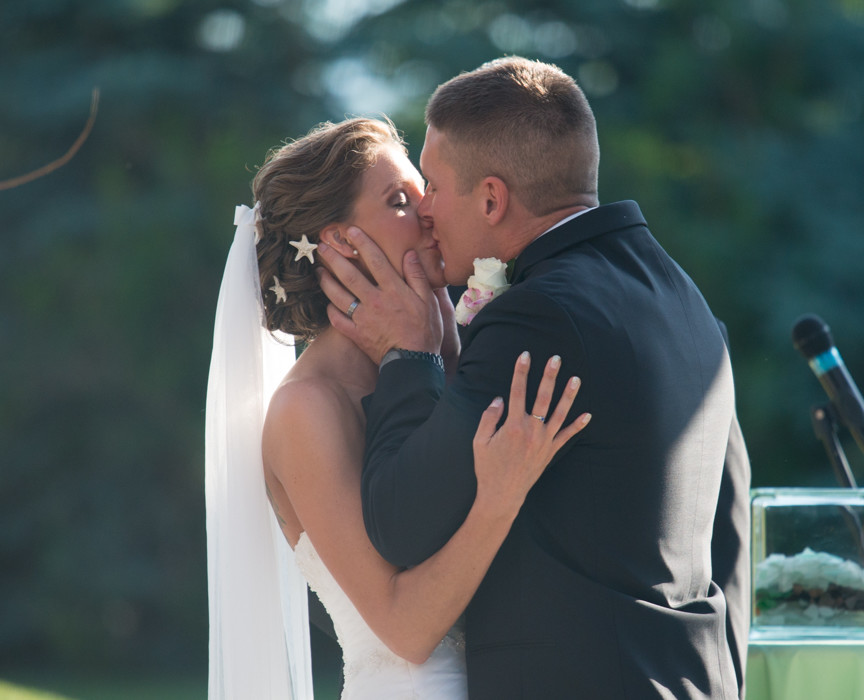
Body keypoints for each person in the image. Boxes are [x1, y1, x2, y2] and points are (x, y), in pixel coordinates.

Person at [318, 57, 752, 699]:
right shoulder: (684, 300)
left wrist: (409, 355)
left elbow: (401, 524)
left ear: (492, 199)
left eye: (432, 187)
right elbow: (730, 528)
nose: (427, 210)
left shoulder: (541, 319)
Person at [204, 117, 591, 700]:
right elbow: (405, 630)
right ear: (339, 244)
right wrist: (500, 494)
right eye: (400, 200)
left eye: (425, 191)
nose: (430, 212)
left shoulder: (450, 354)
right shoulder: (306, 411)